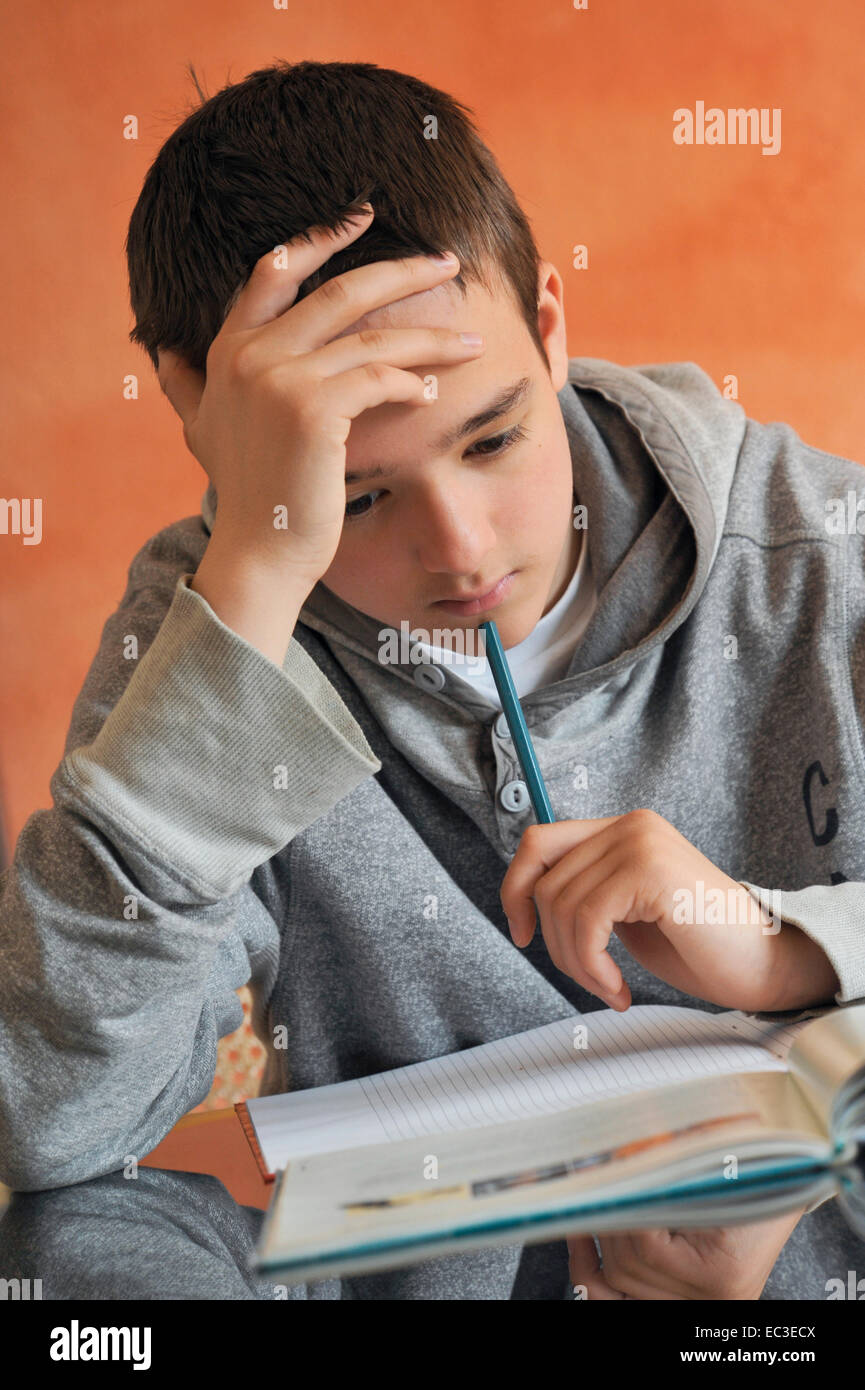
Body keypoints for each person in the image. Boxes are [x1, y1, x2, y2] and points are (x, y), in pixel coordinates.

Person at [1, 58, 863, 1300]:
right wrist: (251, 583)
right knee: (63, 1250)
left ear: (552, 327)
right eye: (357, 494)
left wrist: (784, 948)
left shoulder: (820, 550)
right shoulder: (209, 629)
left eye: (496, 434)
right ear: (206, 420)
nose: (461, 550)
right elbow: (55, 1123)